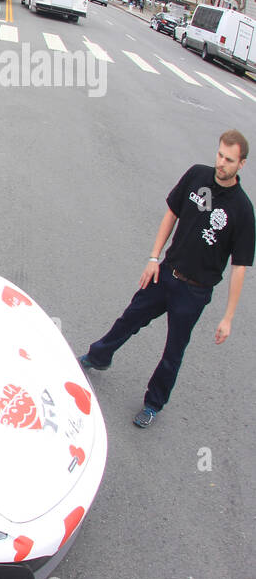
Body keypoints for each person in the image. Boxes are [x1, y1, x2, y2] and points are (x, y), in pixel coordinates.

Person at [79, 131, 252, 429]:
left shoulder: (243, 210)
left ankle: (153, 403)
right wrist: (153, 258)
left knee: (173, 351)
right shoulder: (197, 175)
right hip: (165, 273)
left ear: (242, 164)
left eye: (229, 160)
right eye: (220, 155)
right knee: (129, 318)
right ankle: (99, 355)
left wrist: (228, 317)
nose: (221, 163)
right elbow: (171, 213)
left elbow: (239, 267)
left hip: (194, 293)